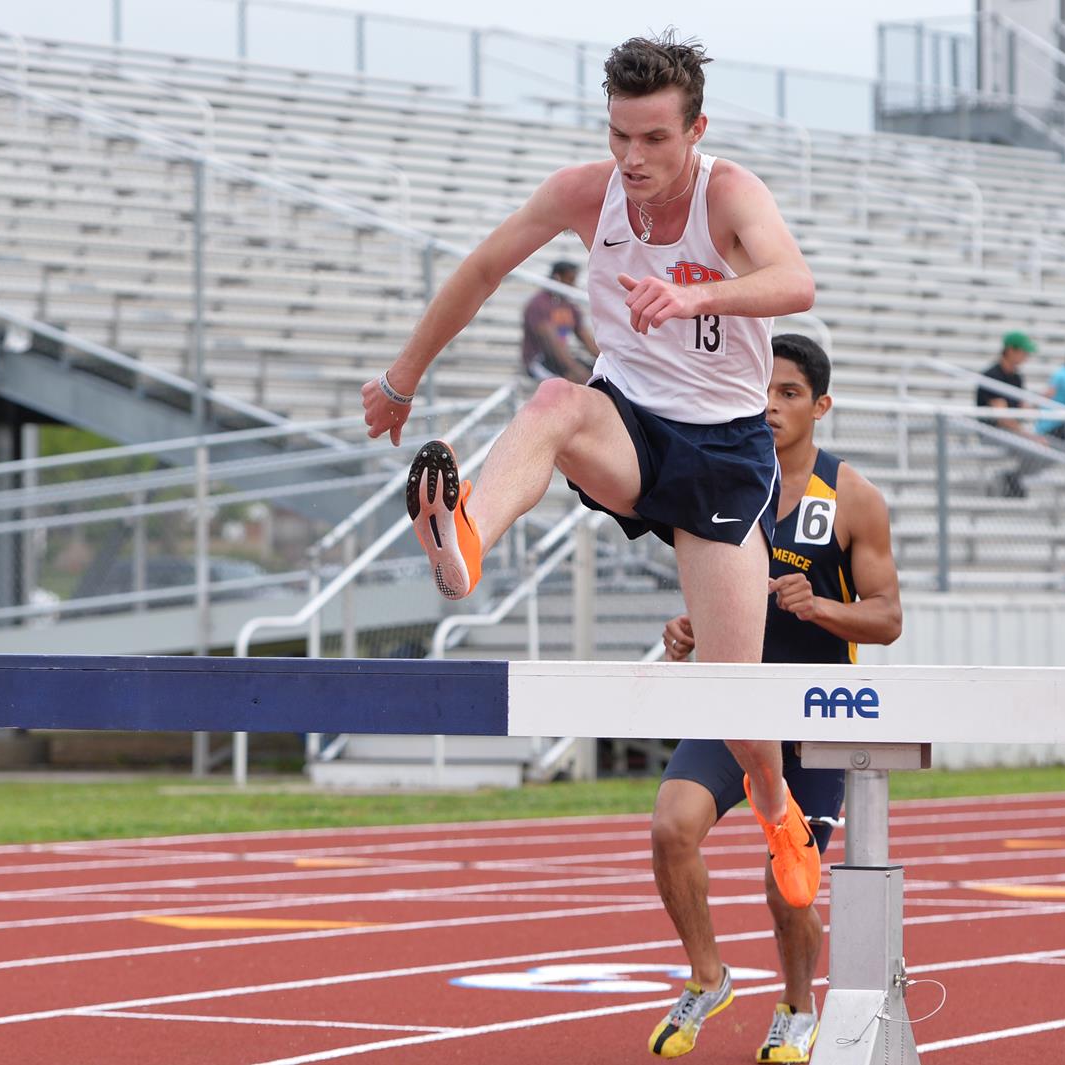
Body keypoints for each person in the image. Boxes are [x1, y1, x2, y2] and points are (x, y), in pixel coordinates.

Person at [360, 34, 819, 912]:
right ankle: (467, 539)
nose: (633, 158)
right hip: (631, 423)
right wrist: (401, 377)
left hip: (722, 452)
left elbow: (795, 283)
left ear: (695, 130)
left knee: (739, 712)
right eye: (619, 136)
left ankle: (774, 804)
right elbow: (485, 268)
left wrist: (696, 294)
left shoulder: (729, 192)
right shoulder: (585, 192)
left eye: (653, 139)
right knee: (553, 405)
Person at [647, 334, 902, 1062]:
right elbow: (720, 591)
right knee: (671, 828)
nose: (768, 406)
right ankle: (708, 972)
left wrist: (820, 606)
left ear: (820, 405)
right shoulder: (722, 487)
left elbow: (887, 617)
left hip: (815, 717)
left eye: (787, 392)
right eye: (760, 388)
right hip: (736, 703)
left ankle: (796, 1005)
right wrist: (693, 623)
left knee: (785, 882)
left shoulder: (851, 495)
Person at [975, 330, 1049, 498]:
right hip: (992, 432)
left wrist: (1043, 400)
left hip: (1010, 431)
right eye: (1023, 352)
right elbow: (1003, 418)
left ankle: (1012, 478)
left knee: (1052, 449)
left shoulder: (1016, 377)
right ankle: (1011, 480)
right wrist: (1029, 436)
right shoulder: (992, 375)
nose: (1026, 357)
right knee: (1035, 448)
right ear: (1010, 350)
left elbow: (1022, 409)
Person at [522, 261, 600, 382]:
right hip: (540, 360)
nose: (573, 285)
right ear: (557, 278)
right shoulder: (539, 304)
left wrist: (604, 361)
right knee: (571, 381)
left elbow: (585, 338)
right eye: (570, 280)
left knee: (596, 376)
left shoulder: (569, 306)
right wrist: (574, 369)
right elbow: (552, 343)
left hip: (561, 358)